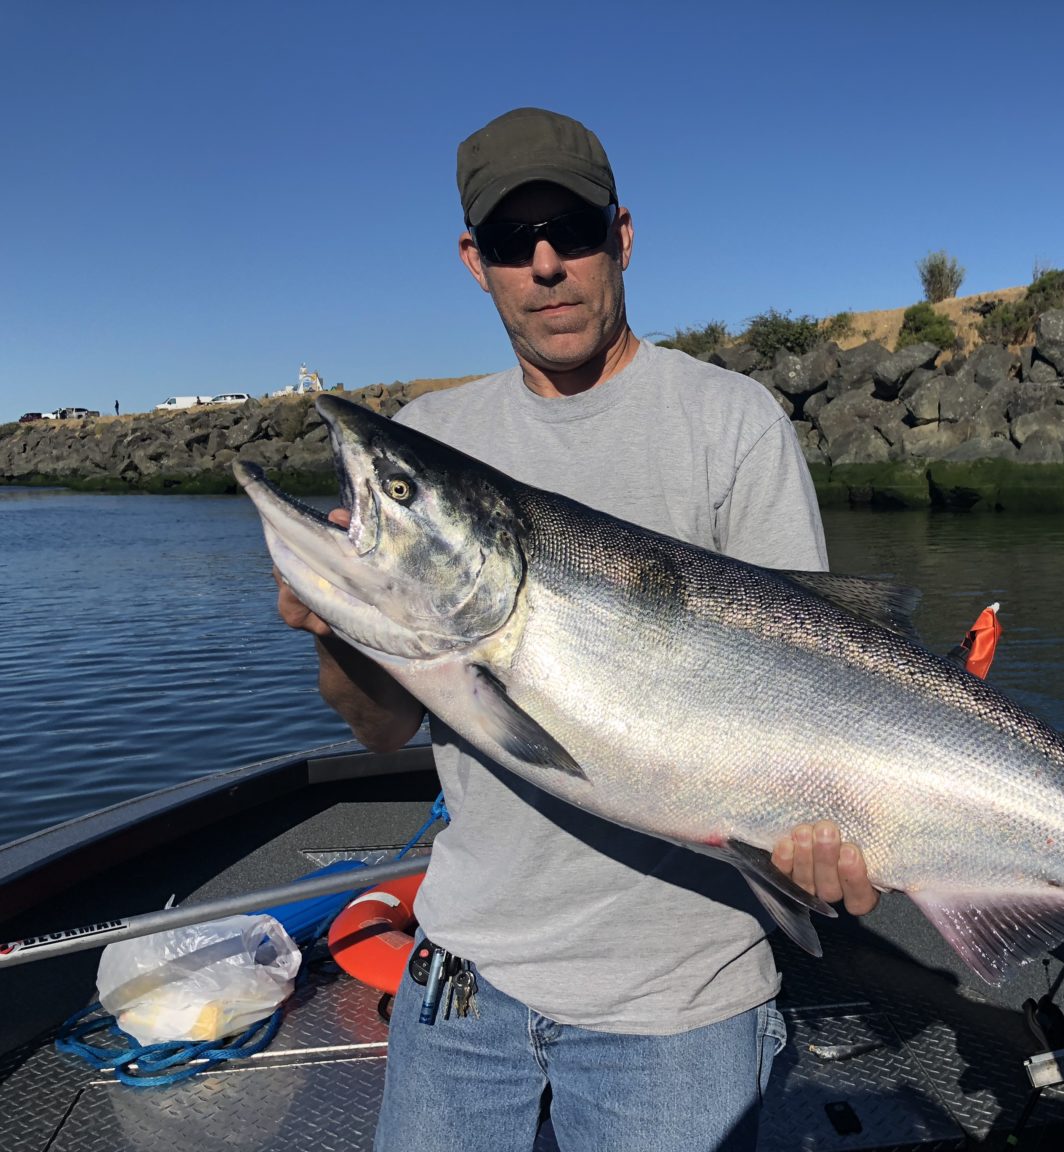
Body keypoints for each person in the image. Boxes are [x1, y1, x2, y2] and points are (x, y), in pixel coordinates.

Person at [275, 107, 879, 1152]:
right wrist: (338, 629)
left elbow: (819, 672)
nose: (548, 265)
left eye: (574, 233)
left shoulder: (732, 422)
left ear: (623, 237)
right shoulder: (431, 436)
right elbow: (379, 731)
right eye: (516, 243)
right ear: (477, 263)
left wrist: (832, 838)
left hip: (681, 999)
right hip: (464, 975)